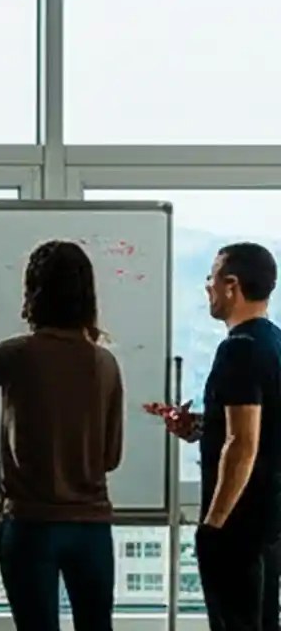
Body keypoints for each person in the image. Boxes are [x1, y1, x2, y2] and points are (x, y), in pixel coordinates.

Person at [0, 240, 123, 630]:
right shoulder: (105, 363)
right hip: (92, 527)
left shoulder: (13, 354)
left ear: (32, 293)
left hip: (29, 524)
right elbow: (111, 457)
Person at [160, 242, 281, 631]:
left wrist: (214, 524)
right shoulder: (273, 342)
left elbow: (242, 444)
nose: (207, 288)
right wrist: (199, 426)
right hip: (269, 521)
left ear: (231, 285)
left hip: (239, 526)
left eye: (211, 278)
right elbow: (261, 429)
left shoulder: (238, 351)